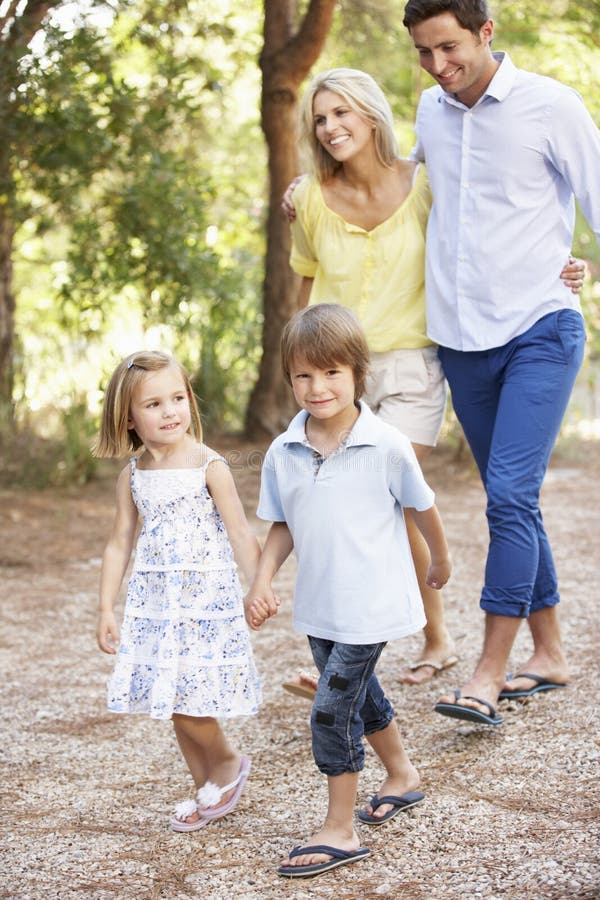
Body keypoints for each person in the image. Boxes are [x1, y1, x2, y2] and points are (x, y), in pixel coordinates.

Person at [280, 67, 585, 694]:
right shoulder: (310, 196)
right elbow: (305, 284)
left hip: (416, 365)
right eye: (320, 118)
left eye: (342, 113)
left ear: (371, 114)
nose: (331, 126)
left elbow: (494, 222)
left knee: (379, 499)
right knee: (395, 503)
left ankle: (382, 650)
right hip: (340, 377)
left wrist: (566, 260)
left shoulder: (422, 183)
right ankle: (492, 643)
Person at [400, 0, 600, 725]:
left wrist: (586, 269)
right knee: (518, 498)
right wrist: (312, 189)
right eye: (425, 52)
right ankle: (549, 653)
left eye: (450, 48)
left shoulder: (552, 106)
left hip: (540, 328)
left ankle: (487, 672)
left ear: (487, 33)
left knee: (508, 499)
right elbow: (396, 187)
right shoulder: (430, 110)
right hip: (461, 341)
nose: (439, 67)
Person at [245, 304, 451, 878]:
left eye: (332, 372)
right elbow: (281, 524)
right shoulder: (284, 450)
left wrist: (441, 557)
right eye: (303, 376)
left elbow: (422, 504)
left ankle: (340, 829)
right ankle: (403, 775)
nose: (317, 387)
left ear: (359, 373)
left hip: (371, 604)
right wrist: (262, 579)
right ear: (290, 379)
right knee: (360, 696)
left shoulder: (386, 443)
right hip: (320, 607)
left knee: (332, 712)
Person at [94, 350, 261, 830]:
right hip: (157, 606)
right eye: (153, 404)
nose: (170, 411)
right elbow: (118, 541)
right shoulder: (133, 474)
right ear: (128, 417)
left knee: (189, 702)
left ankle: (228, 761)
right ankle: (207, 785)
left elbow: (240, 533)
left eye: (177, 398)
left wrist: (259, 586)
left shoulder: (209, 465)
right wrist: (106, 607)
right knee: (171, 701)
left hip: (204, 604)